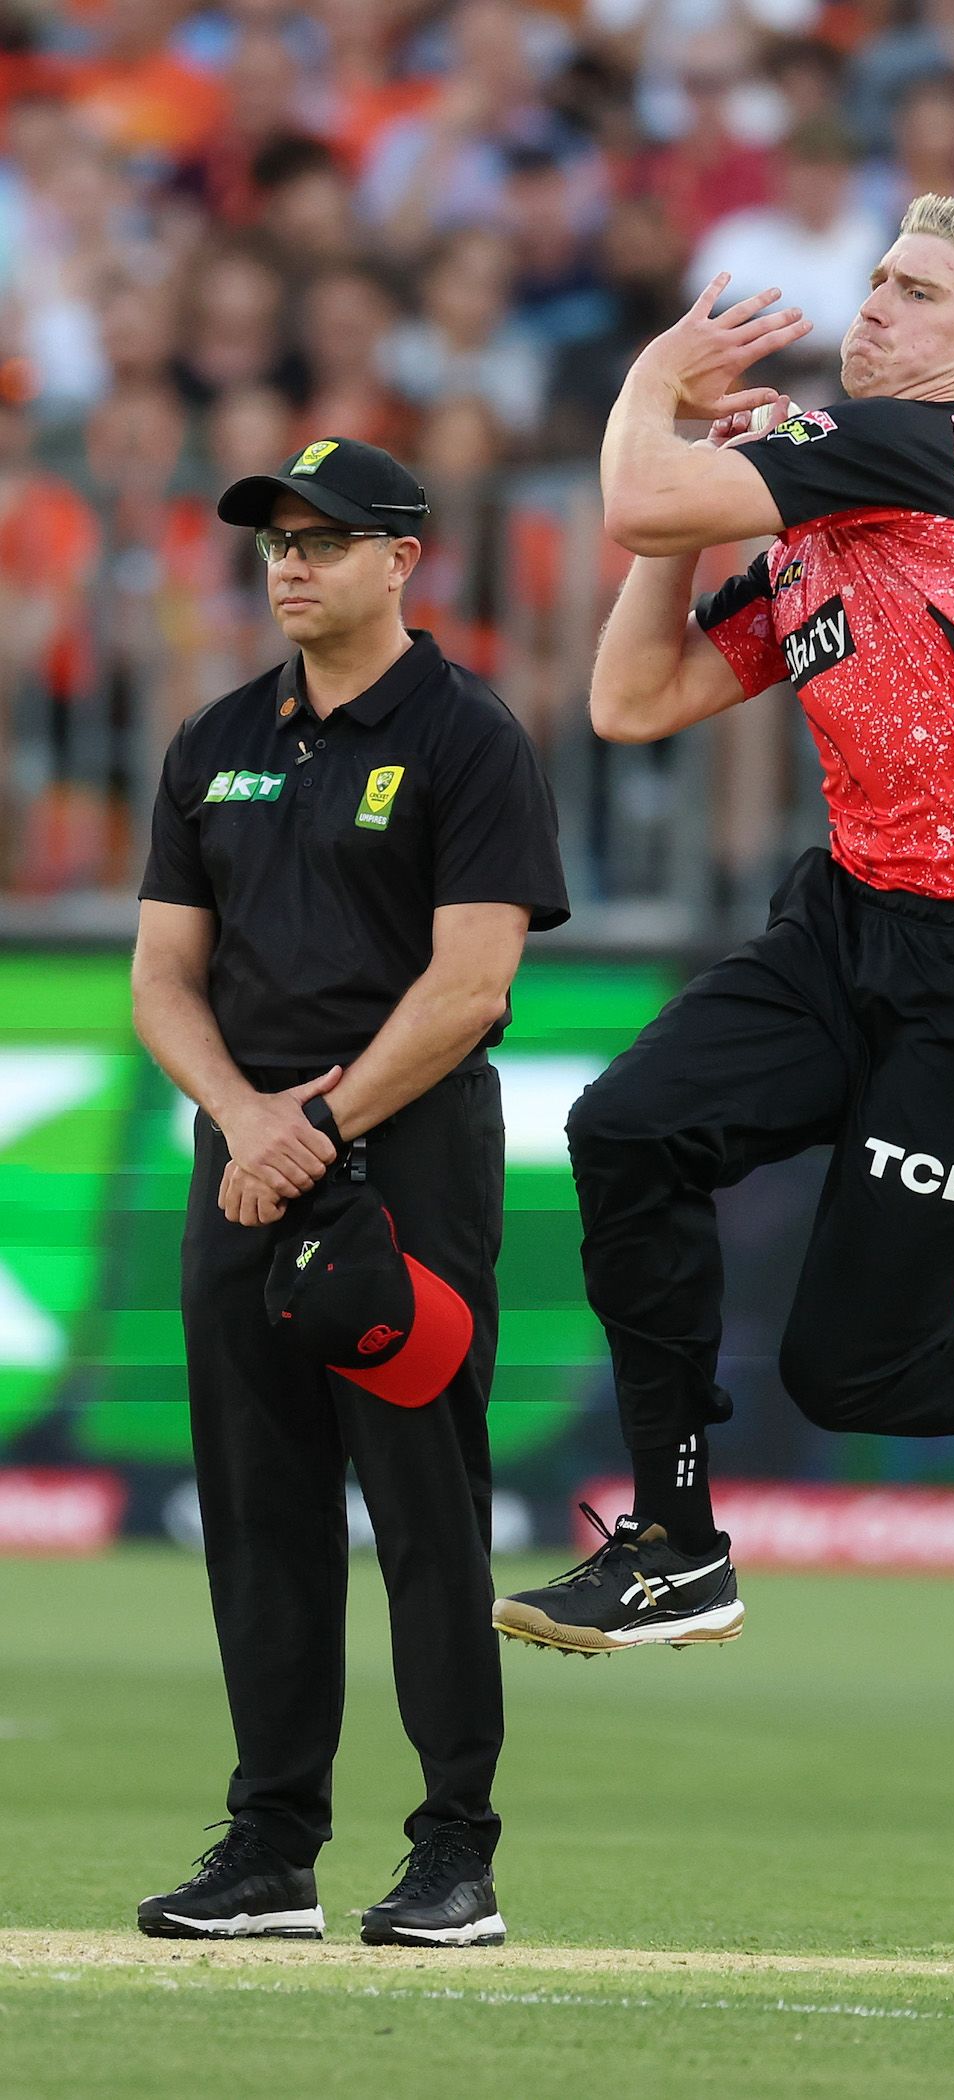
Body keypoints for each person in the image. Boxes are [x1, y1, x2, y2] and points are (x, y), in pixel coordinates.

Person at [493, 194, 954, 1657]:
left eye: (915, 292)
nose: (876, 306)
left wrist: (657, 387)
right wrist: (699, 498)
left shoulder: (925, 452)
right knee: (628, 1132)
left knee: (862, 1371)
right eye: (879, 278)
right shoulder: (830, 506)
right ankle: (674, 1545)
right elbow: (632, 703)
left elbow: (635, 496)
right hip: (848, 921)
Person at [131, 436, 569, 1938]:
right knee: (257, 1509)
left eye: (326, 538)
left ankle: (456, 1851)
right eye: (273, 543)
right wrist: (244, 1119)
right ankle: (270, 1849)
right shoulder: (214, 738)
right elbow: (161, 980)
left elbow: (471, 987)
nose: (292, 564)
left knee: (425, 1506)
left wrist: (305, 1128)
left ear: (404, 558)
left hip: (405, 1165)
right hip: (244, 1160)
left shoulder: (463, 736)